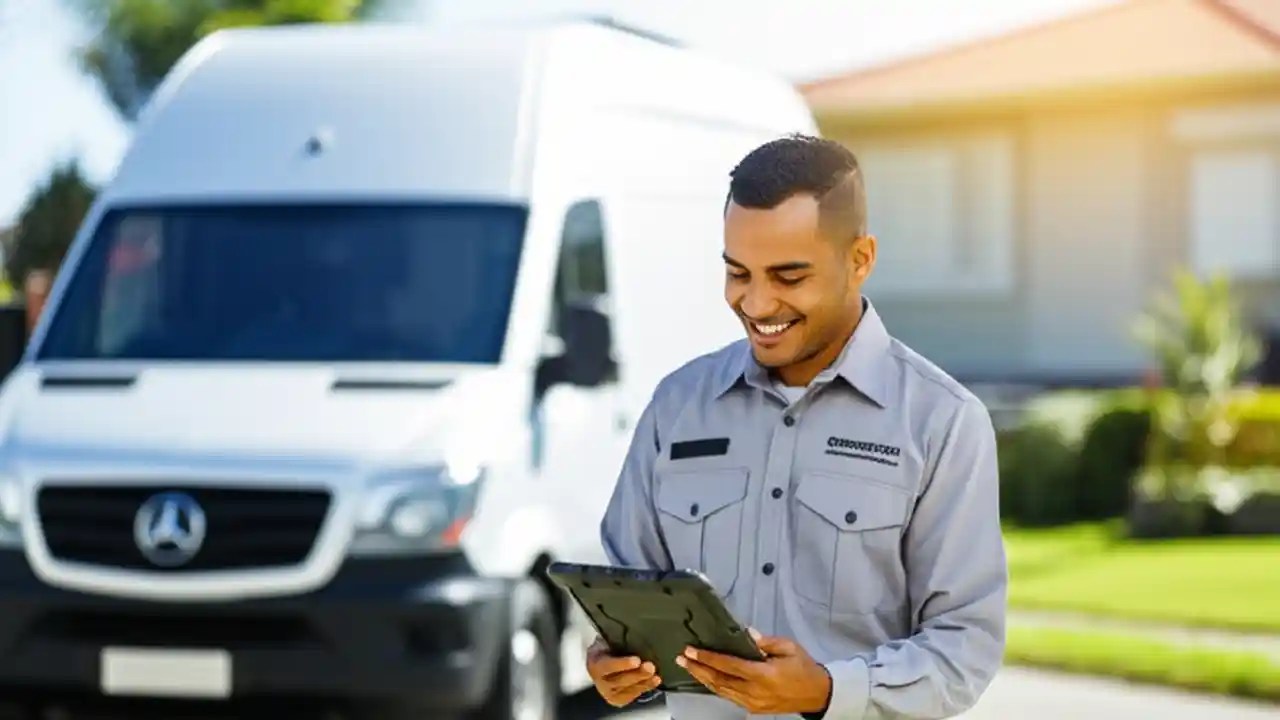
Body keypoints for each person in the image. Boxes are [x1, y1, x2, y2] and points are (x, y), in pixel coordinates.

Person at [588, 134, 1007, 719]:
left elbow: (964, 648)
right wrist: (610, 661)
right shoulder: (676, 406)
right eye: (738, 273)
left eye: (788, 277)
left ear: (859, 260)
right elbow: (622, 594)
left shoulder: (942, 422)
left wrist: (828, 691)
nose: (757, 304)